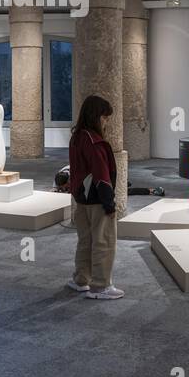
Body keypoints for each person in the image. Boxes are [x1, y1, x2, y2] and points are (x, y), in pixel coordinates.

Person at [66, 95, 124, 300]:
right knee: (104, 242)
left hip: (81, 199)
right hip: (98, 199)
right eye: (105, 117)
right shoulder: (95, 141)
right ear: (96, 116)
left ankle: (81, 279)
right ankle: (101, 285)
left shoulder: (77, 137)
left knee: (85, 241)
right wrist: (109, 203)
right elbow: (102, 175)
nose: (106, 121)